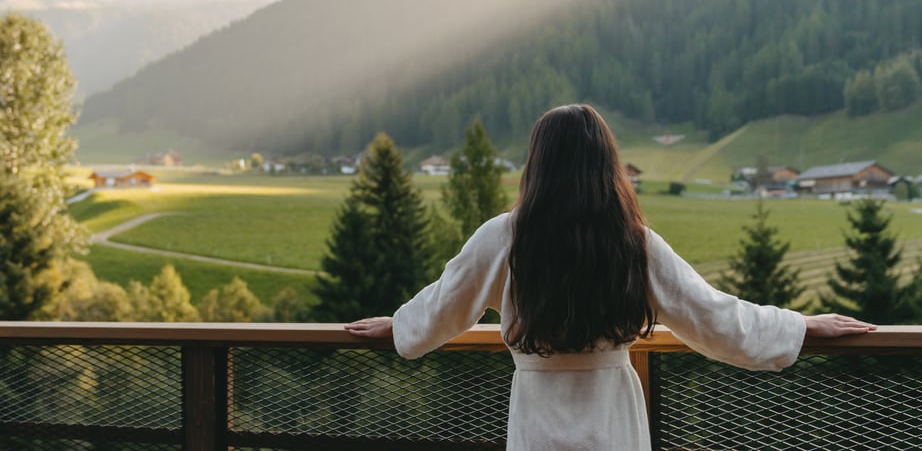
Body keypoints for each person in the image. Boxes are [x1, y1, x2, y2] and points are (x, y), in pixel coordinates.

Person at [345, 103, 875, 451]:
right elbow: (712, 316)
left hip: (537, 422)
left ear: (538, 163)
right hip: (613, 423)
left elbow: (441, 307)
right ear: (607, 163)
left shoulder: (503, 237)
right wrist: (799, 328)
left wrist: (398, 327)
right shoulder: (633, 243)